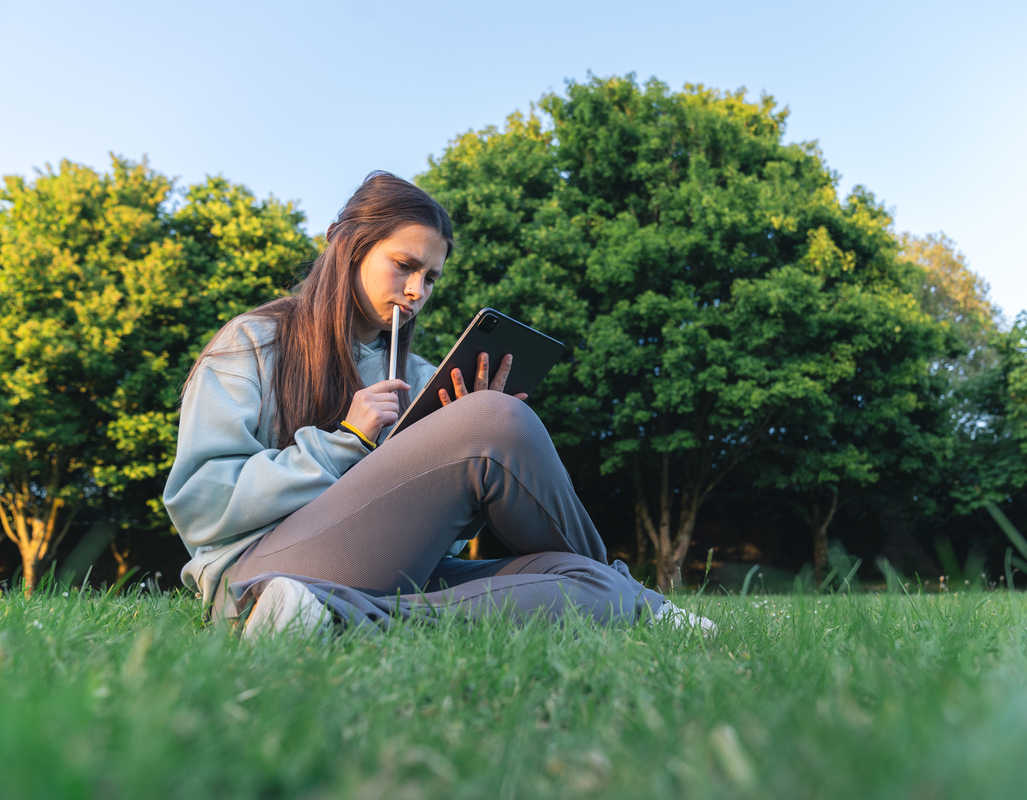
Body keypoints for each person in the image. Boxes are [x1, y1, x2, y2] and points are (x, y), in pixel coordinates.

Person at [163, 171, 713, 640]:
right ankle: (644, 604)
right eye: (403, 265)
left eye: (430, 277)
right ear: (342, 242)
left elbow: (435, 539)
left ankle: (322, 619)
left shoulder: (420, 378)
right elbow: (202, 507)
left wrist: (448, 468)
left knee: (582, 579)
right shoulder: (253, 342)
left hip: (389, 575)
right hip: (254, 572)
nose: (417, 290)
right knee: (496, 419)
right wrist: (346, 442)